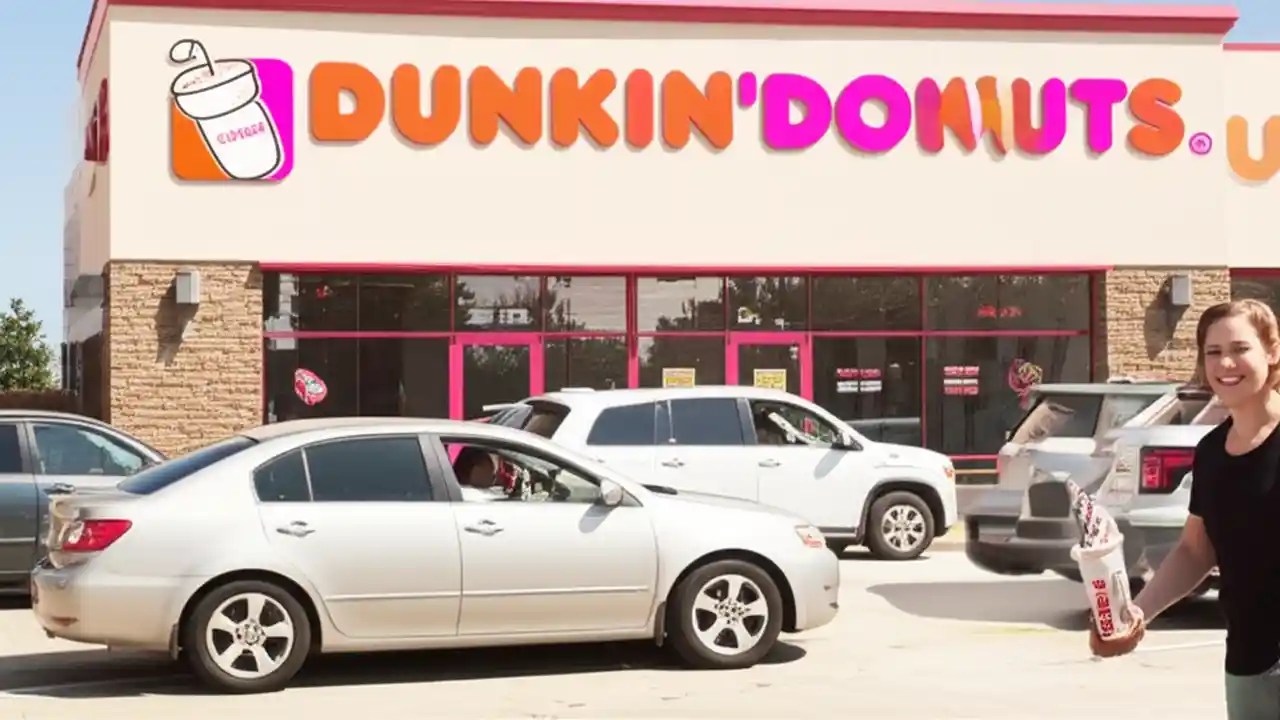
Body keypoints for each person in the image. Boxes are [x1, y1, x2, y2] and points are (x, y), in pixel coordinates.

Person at [1091, 299, 1280, 718]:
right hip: (1249, 665)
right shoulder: (1211, 452)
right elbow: (1196, 550)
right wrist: (1137, 614)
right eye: (1213, 352)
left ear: (1272, 352)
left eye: (1240, 348)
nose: (1226, 363)